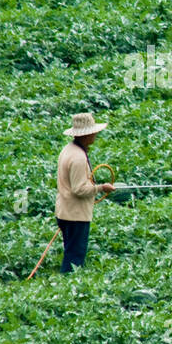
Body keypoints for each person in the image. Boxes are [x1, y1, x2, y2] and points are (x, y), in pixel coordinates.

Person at [55, 113, 116, 273]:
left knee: (71, 252)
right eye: (93, 132)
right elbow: (79, 189)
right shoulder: (78, 158)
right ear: (86, 134)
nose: (96, 134)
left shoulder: (68, 149)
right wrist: (101, 187)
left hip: (65, 211)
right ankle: (68, 287)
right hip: (75, 215)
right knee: (75, 257)